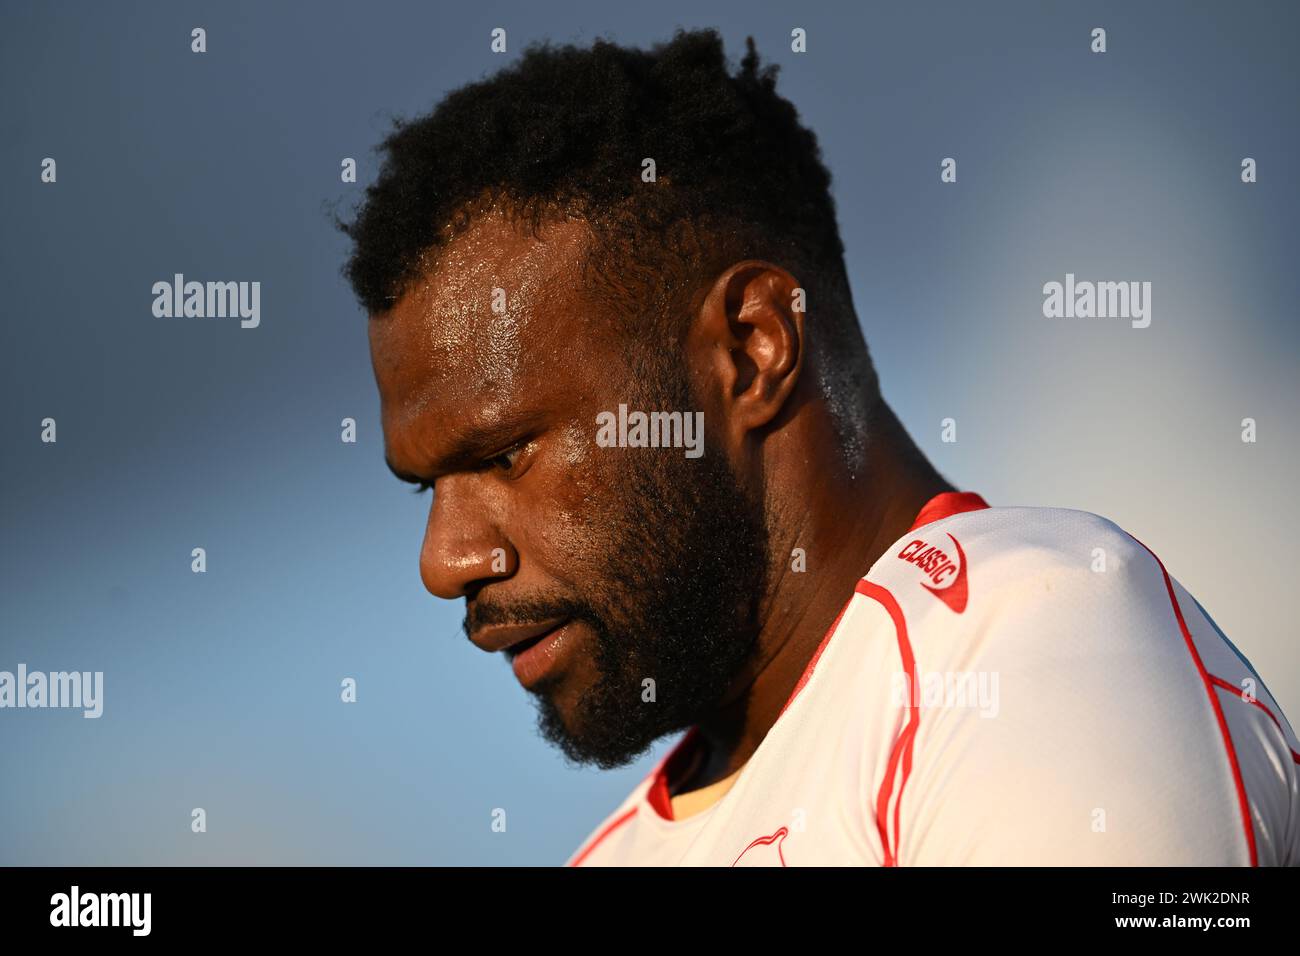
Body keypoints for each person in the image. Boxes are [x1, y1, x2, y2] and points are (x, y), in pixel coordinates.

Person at [339, 29, 1299, 865]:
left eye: (505, 453)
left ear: (753, 352)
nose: (444, 560)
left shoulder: (1032, 650)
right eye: (425, 486)